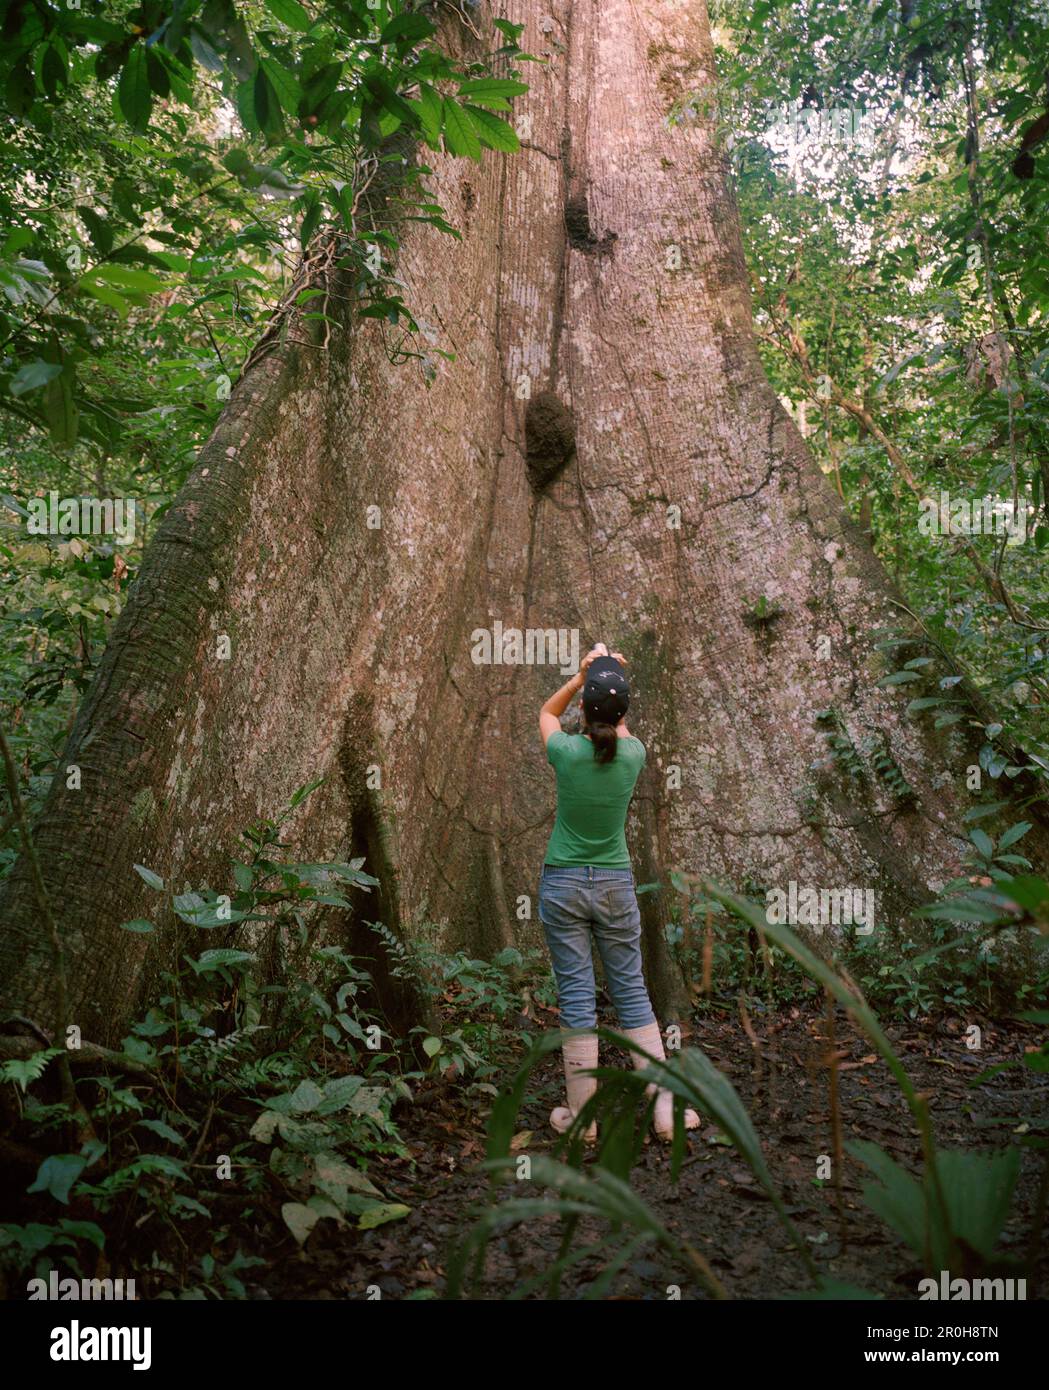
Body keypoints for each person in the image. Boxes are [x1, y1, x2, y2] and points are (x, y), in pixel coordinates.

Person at [538, 643, 699, 1143]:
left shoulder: (564, 752)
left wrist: (583, 675)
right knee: (631, 992)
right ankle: (665, 1112)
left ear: (584, 709)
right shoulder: (633, 755)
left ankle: (583, 1121)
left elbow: (546, 712)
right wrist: (612, 675)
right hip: (613, 885)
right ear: (625, 712)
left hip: (562, 883)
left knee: (577, 996)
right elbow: (617, 723)